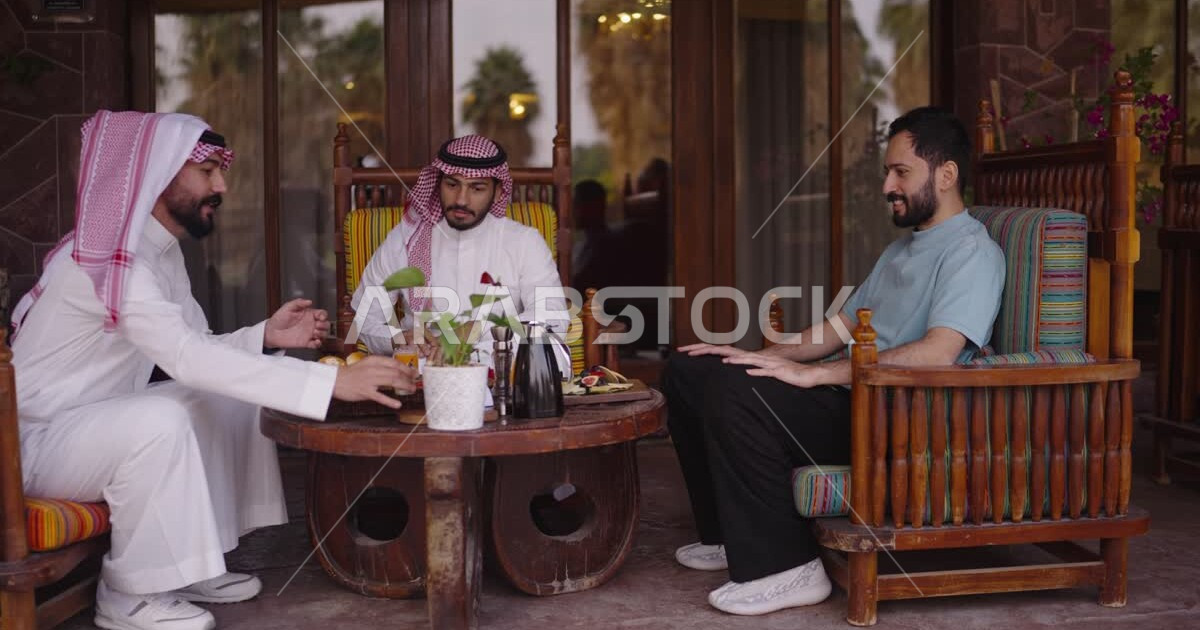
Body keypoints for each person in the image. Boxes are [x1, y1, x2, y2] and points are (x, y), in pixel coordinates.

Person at [10, 110, 413, 630]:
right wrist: (334, 380)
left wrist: (264, 337)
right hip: (35, 445)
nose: (221, 186)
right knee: (160, 423)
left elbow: (195, 349)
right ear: (158, 174)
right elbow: (188, 358)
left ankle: (191, 565)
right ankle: (130, 594)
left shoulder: (157, 254)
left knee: (223, 393)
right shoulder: (108, 261)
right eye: (207, 171)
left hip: (89, 425)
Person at [662, 107, 1005, 616]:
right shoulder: (901, 250)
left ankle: (787, 568)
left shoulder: (972, 254)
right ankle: (726, 536)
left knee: (737, 392)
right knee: (691, 371)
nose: (888, 186)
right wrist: (755, 357)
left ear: (946, 174)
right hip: (851, 396)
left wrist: (817, 374)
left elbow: (939, 352)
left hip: (894, 416)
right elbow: (838, 329)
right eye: (887, 172)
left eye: (901, 172)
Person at [350, 135, 569, 365]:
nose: (461, 200)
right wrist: (398, 337)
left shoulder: (525, 242)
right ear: (438, 183)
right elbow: (363, 319)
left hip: (498, 367)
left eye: (477, 188)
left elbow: (552, 319)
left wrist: (476, 331)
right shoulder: (407, 238)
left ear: (497, 191)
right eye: (452, 185)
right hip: (422, 370)